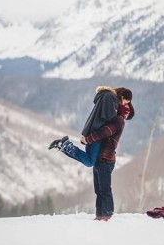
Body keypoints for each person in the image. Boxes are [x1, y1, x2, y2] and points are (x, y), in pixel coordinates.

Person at [50, 87, 134, 221]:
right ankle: (101, 214)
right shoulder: (112, 113)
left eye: (126, 107)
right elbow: (102, 130)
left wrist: (87, 139)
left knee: (103, 189)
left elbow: (104, 132)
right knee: (99, 189)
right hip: (102, 157)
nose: (124, 107)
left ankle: (105, 214)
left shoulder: (118, 121)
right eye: (124, 104)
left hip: (106, 159)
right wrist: (88, 139)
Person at [48, 86, 135, 167]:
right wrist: (120, 116)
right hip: (96, 132)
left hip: (94, 131)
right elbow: (109, 117)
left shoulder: (108, 96)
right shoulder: (111, 97)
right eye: (125, 102)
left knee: (90, 161)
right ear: (123, 97)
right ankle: (65, 145)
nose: (123, 104)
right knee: (90, 162)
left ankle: (63, 146)